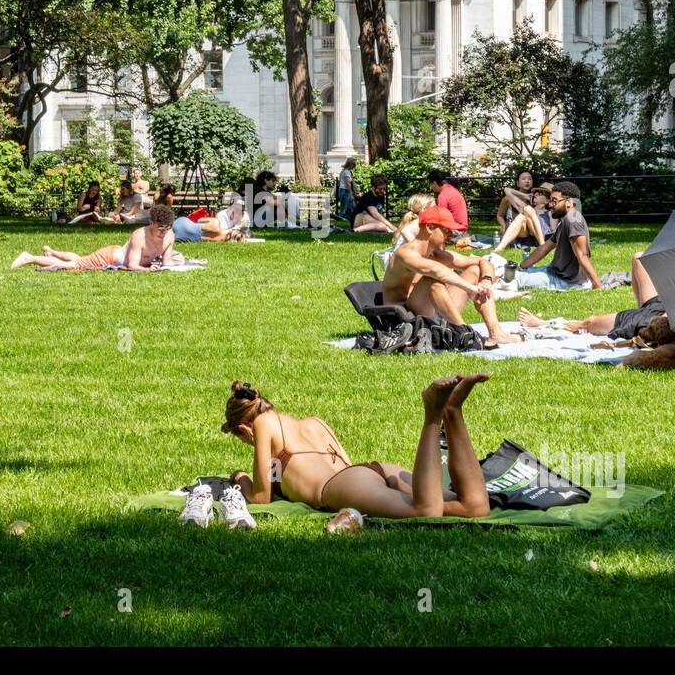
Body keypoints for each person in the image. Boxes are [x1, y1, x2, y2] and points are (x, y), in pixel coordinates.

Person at [215, 375, 495, 519]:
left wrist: (241, 478)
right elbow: (347, 466)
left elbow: (262, 497)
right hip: (369, 473)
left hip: (339, 487)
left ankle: (433, 414)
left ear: (243, 429)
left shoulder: (264, 423)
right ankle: (453, 412)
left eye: (244, 440)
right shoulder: (314, 422)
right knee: (474, 507)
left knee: (425, 511)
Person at [383, 205, 525, 348]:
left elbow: (483, 262)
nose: (451, 236)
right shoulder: (405, 253)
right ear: (430, 227)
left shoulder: (436, 254)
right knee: (432, 280)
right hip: (405, 315)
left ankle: (496, 333)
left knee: (475, 270)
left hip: (433, 310)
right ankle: (465, 333)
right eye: (446, 230)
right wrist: (471, 289)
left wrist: (486, 281)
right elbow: (436, 271)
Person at [518, 251, 664, 338]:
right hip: (660, 307)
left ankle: (544, 324)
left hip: (653, 321)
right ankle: (641, 311)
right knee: (639, 258)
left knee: (588, 323)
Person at [11, 203, 182, 270]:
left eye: (167, 228)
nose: (164, 232)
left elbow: (167, 262)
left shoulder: (169, 236)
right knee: (74, 265)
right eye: (161, 229)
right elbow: (132, 265)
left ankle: (52, 251)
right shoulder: (140, 235)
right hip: (109, 257)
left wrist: (178, 261)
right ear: (151, 223)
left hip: (113, 256)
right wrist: (147, 269)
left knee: (80, 259)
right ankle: (29, 257)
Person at [515, 181, 600, 290]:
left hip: (563, 280)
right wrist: (521, 267)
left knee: (510, 279)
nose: (550, 205)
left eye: (554, 201)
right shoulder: (566, 220)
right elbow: (545, 248)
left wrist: (598, 287)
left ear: (568, 202)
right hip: (554, 272)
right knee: (512, 272)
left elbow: (583, 255)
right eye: (550, 201)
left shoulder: (574, 220)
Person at [495, 182, 555, 254]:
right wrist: (525, 195)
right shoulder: (526, 207)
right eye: (536, 192)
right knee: (521, 217)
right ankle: (500, 248)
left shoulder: (550, 212)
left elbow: (553, 231)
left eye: (540, 194)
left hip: (544, 236)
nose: (536, 194)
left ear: (547, 200)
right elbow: (507, 190)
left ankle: (542, 244)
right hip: (530, 238)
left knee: (527, 209)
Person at [171, 196, 250, 242]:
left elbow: (199, 220)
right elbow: (225, 233)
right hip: (181, 236)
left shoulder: (215, 224)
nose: (239, 212)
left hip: (182, 224)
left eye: (241, 210)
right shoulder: (219, 239)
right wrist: (239, 228)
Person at [495, 170, 536, 241]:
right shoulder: (508, 199)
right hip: (514, 231)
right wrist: (503, 226)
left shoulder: (535, 199)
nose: (527, 181)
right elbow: (499, 215)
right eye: (523, 179)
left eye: (530, 179)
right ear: (517, 183)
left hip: (531, 232)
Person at [427, 169, 469, 233]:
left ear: (435, 183)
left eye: (430, 184)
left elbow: (440, 217)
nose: (430, 187)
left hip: (455, 230)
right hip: (462, 227)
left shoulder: (443, 195)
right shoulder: (451, 189)